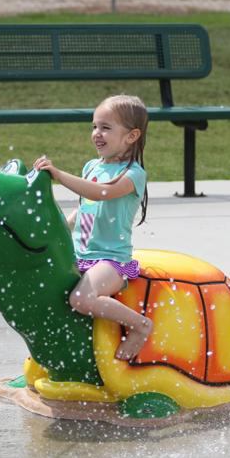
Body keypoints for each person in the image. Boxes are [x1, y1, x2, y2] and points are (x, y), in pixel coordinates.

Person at [33, 94, 152, 361]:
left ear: (131, 136)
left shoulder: (132, 174)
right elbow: (85, 206)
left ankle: (141, 326)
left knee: (82, 300)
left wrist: (60, 175)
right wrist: (60, 230)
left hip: (110, 260)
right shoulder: (91, 166)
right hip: (79, 255)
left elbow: (101, 193)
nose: (97, 134)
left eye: (106, 128)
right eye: (94, 126)